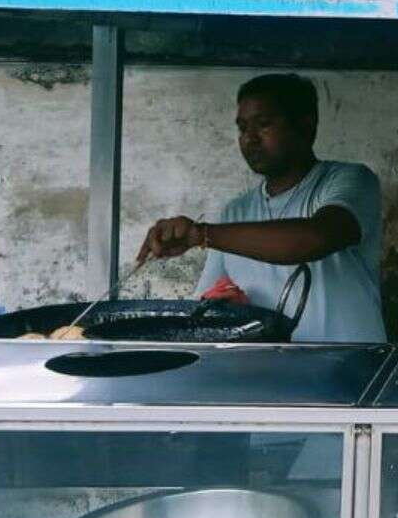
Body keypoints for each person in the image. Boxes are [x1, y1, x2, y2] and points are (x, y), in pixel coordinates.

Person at [140, 73, 385, 345]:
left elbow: (315, 238)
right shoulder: (235, 212)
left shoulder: (349, 181)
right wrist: (224, 306)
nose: (249, 138)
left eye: (263, 124)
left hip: (351, 372)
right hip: (270, 376)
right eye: (242, 128)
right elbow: (207, 301)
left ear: (306, 126)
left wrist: (201, 235)